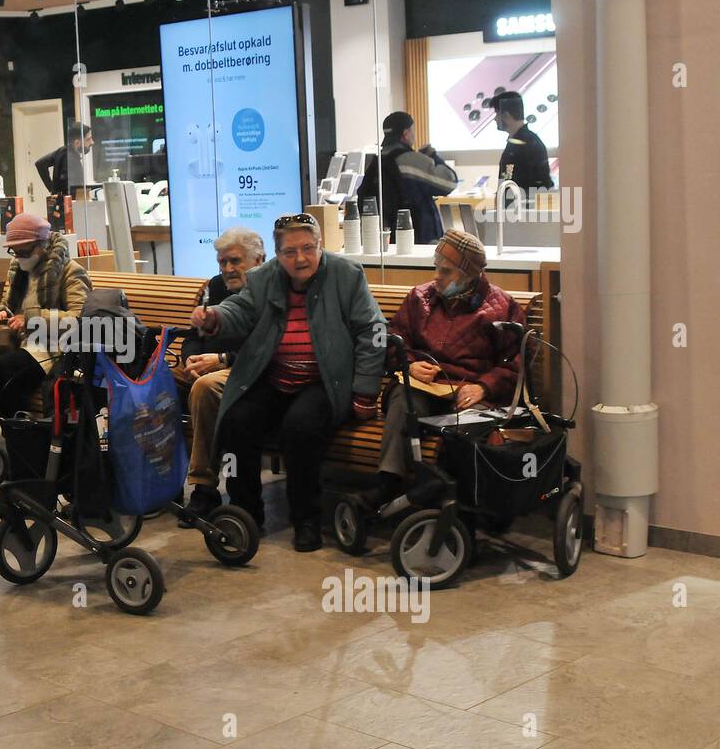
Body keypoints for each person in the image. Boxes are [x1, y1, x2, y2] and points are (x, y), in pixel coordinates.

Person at [191, 213, 385, 552]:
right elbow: (241, 310)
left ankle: (306, 519)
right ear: (277, 255)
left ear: (320, 247)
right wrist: (215, 319)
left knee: (301, 427)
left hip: (325, 380)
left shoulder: (346, 275)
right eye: (290, 252)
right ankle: (246, 514)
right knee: (236, 420)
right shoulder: (263, 279)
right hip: (273, 376)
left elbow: (374, 331)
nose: (300, 258)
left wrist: (366, 391)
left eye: (308, 249)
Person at [357, 230, 527, 510]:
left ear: (470, 273)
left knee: (469, 426)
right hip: (426, 387)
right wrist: (409, 365)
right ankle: (389, 482)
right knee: (404, 398)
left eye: (446, 271)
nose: (437, 276)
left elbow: (516, 362)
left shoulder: (501, 307)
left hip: (470, 392)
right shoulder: (419, 298)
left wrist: (484, 386)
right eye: (436, 268)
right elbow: (394, 341)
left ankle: (455, 502)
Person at [0, 213, 91, 466]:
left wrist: (33, 319)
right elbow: (7, 304)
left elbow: (79, 319)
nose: (18, 257)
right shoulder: (20, 270)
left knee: (2, 373)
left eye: (23, 251)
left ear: (42, 245)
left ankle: (20, 452)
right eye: (13, 252)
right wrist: (0, 313)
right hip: (22, 344)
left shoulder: (71, 271)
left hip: (53, 350)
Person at [178, 227, 266, 524]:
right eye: (223, 262)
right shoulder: (214, 287)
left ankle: (203, 488)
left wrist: (219, 360)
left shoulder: (270, 292)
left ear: (258, 260)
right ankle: (159, 483)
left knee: (204, 387)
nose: (228, 269)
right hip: (208, 365)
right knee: (154, 384)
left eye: (235, 261)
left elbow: (268, 348)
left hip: (247, 370)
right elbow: (194, 334)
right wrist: (189, 357)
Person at [356, 111, 458, 244]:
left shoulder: (376, 163)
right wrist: (432, 155)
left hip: (387, 241)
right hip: (418, 238)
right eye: (413, 130)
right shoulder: (411, 160)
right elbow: (449, 182)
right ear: (406, 133)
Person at [494, 92, 554, 195]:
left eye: (497, 114)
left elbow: (538, 185)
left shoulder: (526, 145)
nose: (495, 118)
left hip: (523, 207)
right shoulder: (517, 142)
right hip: (515, 206)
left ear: (506, 115)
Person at [34, 121, 93, 197]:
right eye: (88, 139)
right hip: (68, 204)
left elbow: (40, 163)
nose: (92, 142)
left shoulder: (62, 151)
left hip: (63, 202)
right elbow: (71, 189)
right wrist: (52, 189)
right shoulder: (71, 159)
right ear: (77, 143)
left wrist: (52, 189)